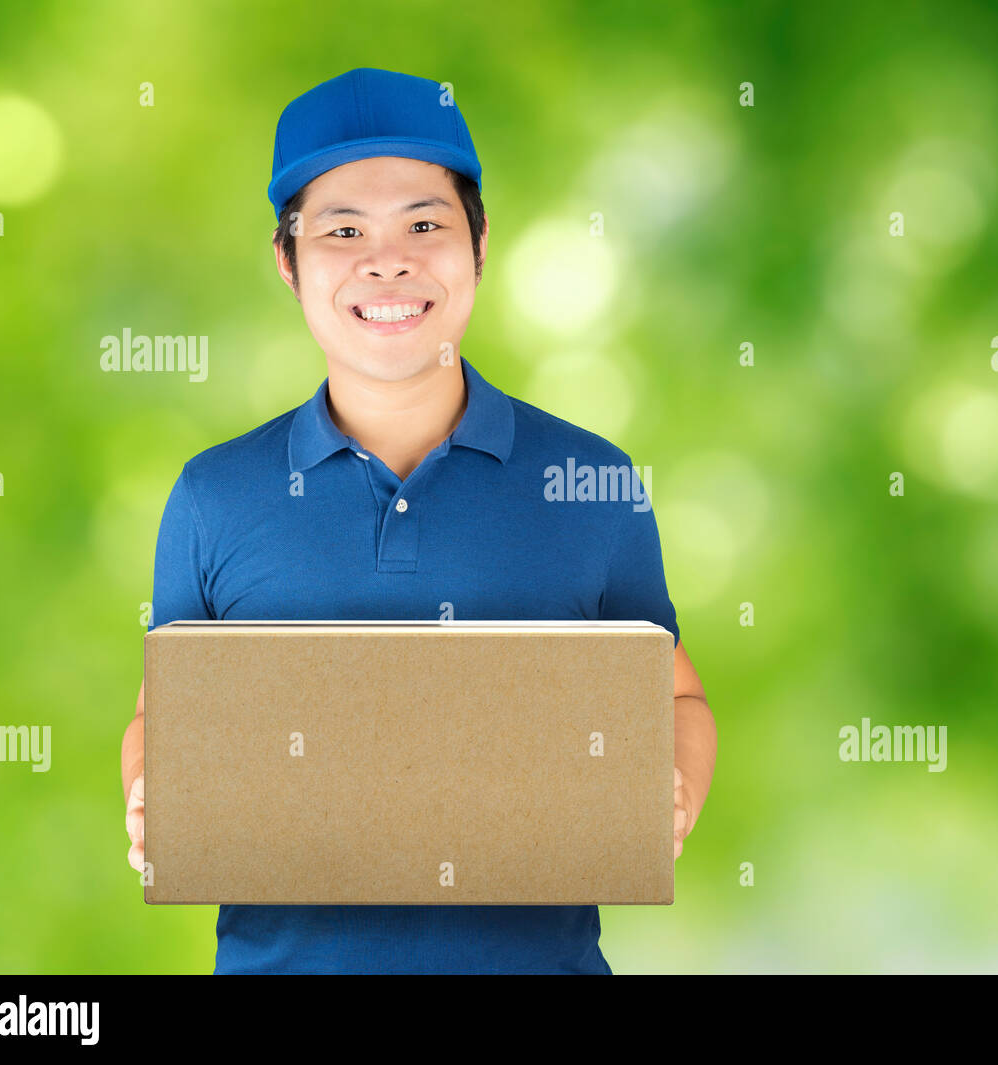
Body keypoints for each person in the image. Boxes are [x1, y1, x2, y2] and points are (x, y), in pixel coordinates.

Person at [120, 67, 716, 974]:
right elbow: (163, 709)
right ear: (287, 260)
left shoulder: (591, 481)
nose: (386, 260)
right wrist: (147, 787)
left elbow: (674, 695)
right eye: (343, 229)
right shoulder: (216, 496)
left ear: (479, 243)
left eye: (425, 224)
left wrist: (670, 789)